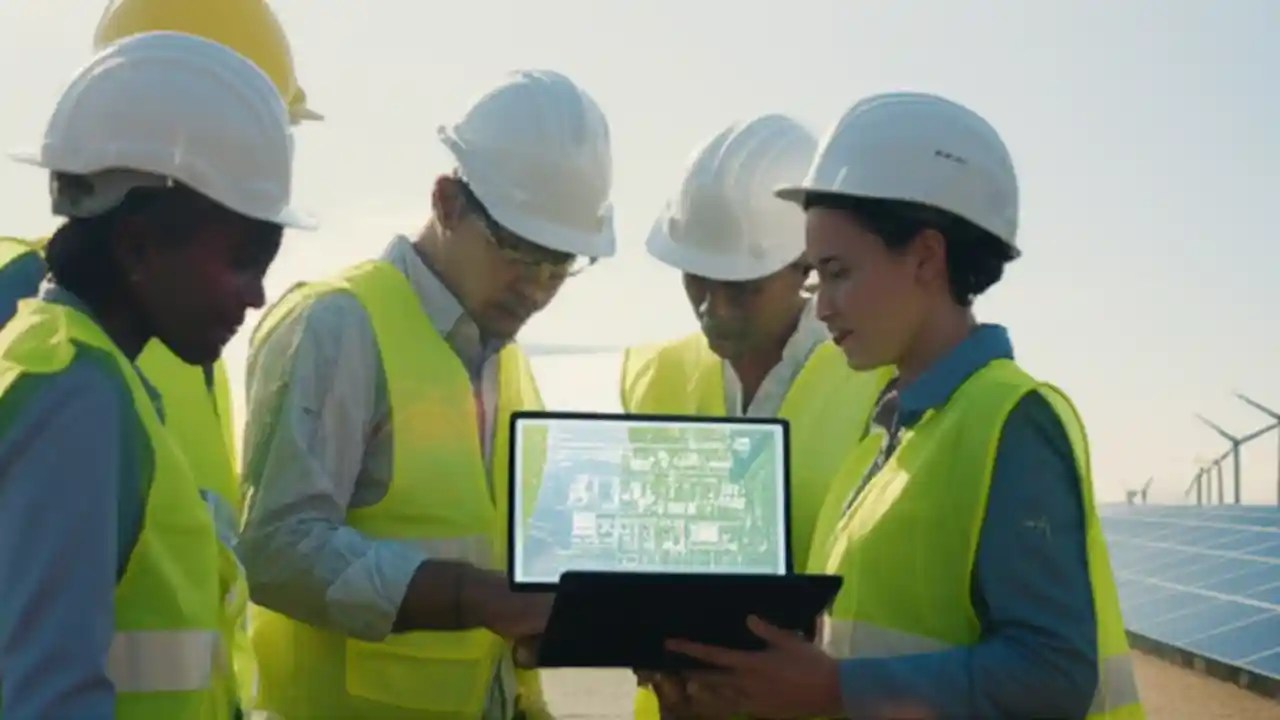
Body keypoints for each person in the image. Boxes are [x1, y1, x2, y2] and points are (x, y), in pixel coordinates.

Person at [646, 93, 1145, 719]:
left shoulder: (1010, 421)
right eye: (814, 279)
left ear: (926, 258)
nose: (821, 306)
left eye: (838, 272)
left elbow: (1054, 673)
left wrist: (833, 691)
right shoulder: (886, 438)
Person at [237, 68, 616, 720]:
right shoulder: (338, 326)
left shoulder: (511, 364)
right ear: (447, 202)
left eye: (561, 266)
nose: (537, 288)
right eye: (520, 253)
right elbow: (277, 548)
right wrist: (469, 598)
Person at [0, 6, 319, 708]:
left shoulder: (83, 370)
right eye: (244, 258)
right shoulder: (73, 395)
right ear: (138, 246)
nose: (259, 293)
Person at [623, 114, 893, 720]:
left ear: (809, 268)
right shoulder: (651, 376)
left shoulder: (880, 384)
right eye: (697, 279)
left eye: (741, 288)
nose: (713, 307)